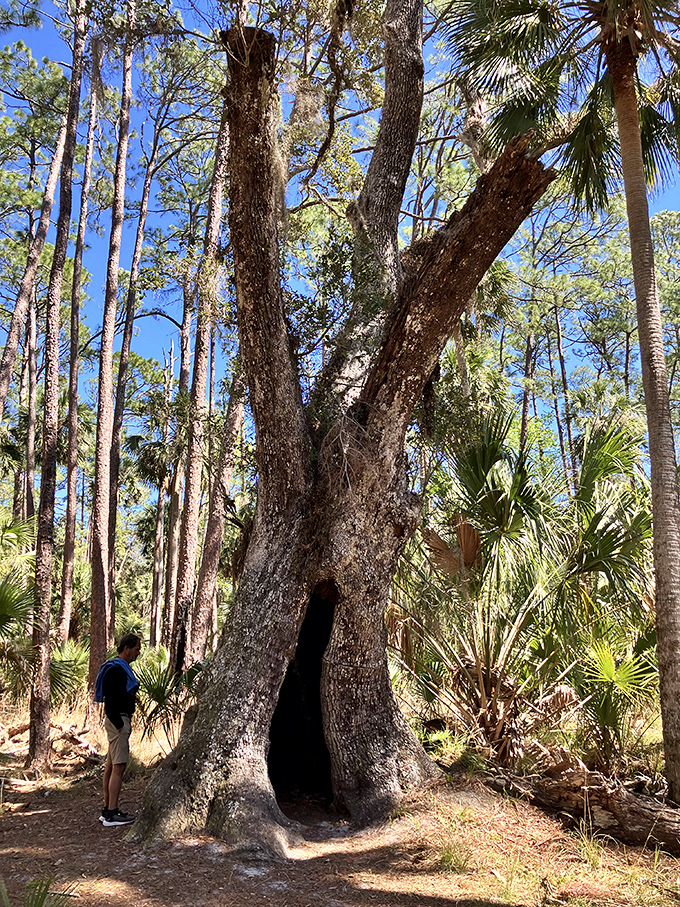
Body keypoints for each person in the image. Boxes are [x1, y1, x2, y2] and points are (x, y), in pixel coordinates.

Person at [94, 633, 142, 826]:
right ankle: (112, 813)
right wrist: (119, 724)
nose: (138, 653)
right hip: (118, 721)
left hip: (119, 720)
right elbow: (111, 700)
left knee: (111, 764)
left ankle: (107, 809)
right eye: (136, 649)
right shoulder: (116, 670)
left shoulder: (120, 668)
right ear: (126, 648)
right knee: (119, 766)